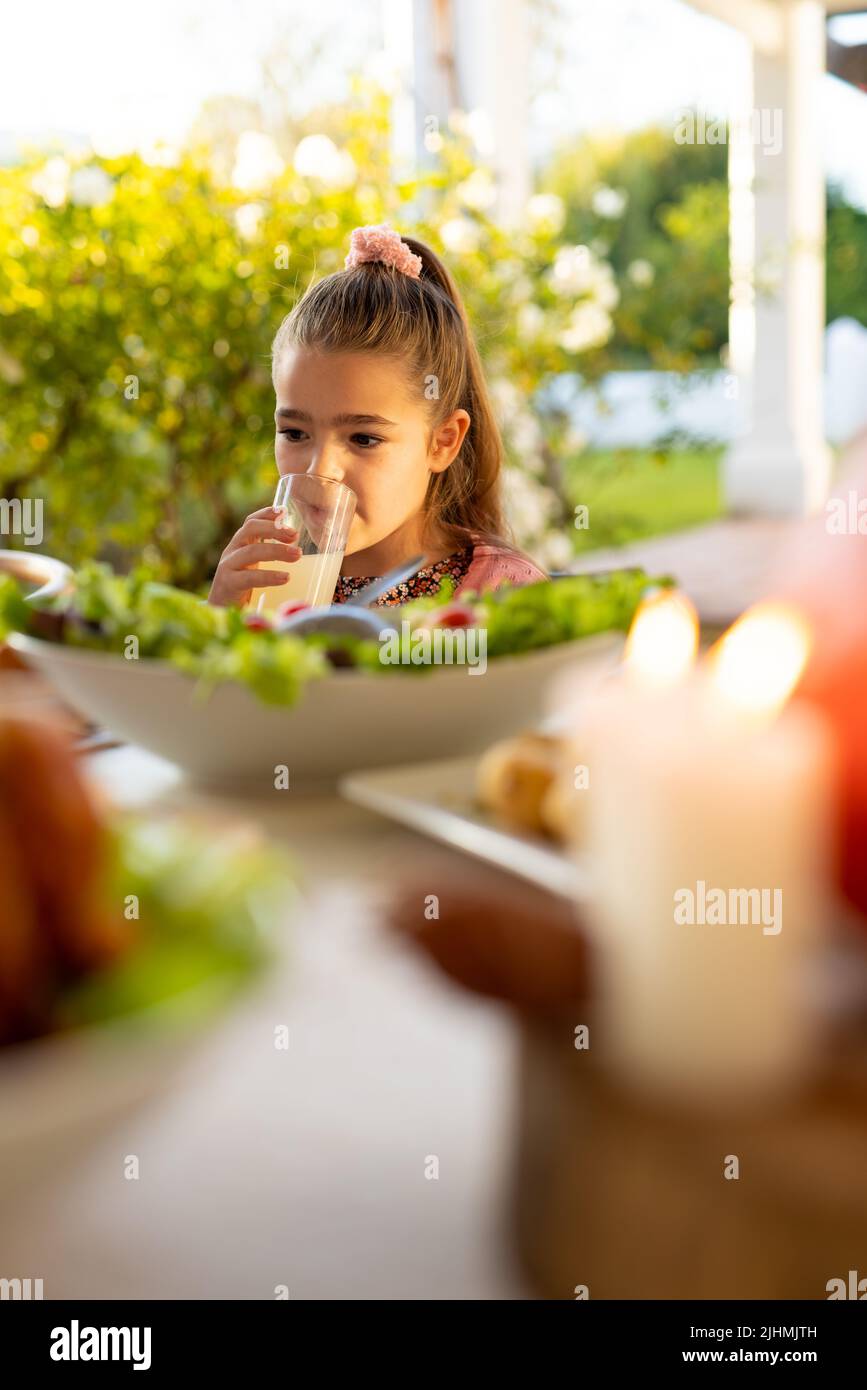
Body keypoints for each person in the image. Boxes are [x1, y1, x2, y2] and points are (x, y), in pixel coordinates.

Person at [208, 223, 546, 609]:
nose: (322, 470)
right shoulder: (268, 585)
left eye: (363, 438)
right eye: (295, 433)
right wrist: (221, 625)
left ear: (443, 441)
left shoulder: (501, 593)